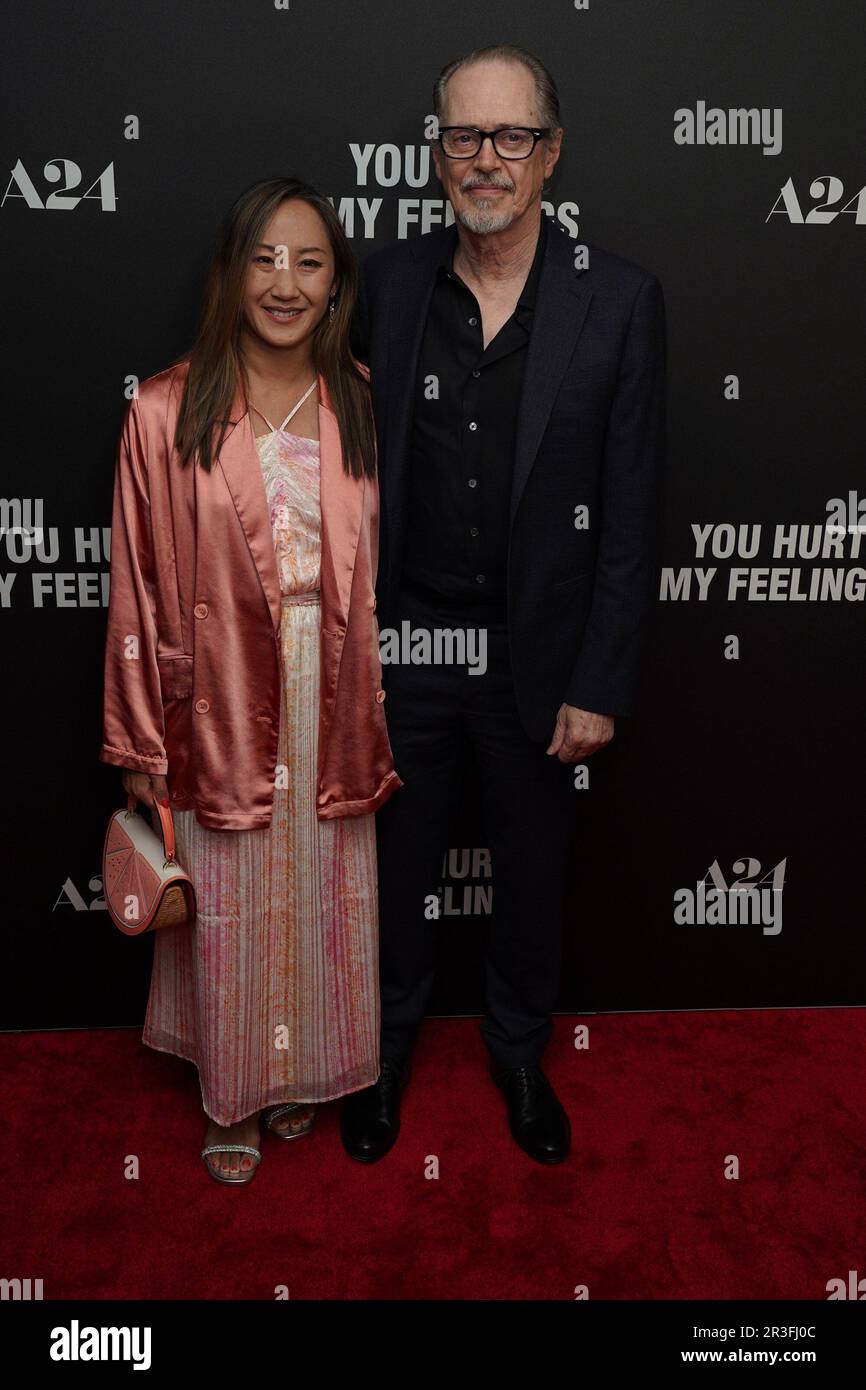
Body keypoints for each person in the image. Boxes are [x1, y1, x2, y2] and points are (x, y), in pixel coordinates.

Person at [342, 44, 666, 1166]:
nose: (486, 161)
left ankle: (518, 1053)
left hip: (539, 656)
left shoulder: (618, 300)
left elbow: (629, 509)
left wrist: (597, 680)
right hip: (404, 647)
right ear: (436, 151)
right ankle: (379, 1057)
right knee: (392, 871)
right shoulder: (383, 283)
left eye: (511, 137)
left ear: (551, 153)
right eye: (464, 137)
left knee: (531, 874)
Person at [100, 177, 402, 1185]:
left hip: (329, 689)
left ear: (335, 283)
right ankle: (228, 1092)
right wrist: (143, 745)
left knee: (312, 890)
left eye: (309, 262)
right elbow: (136, 587)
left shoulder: (354, 397)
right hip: (217, 692)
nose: (284, 282)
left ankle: (298, 1074)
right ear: (229, 274)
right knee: (228, 894)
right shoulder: (164, 409)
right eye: (264, 259)